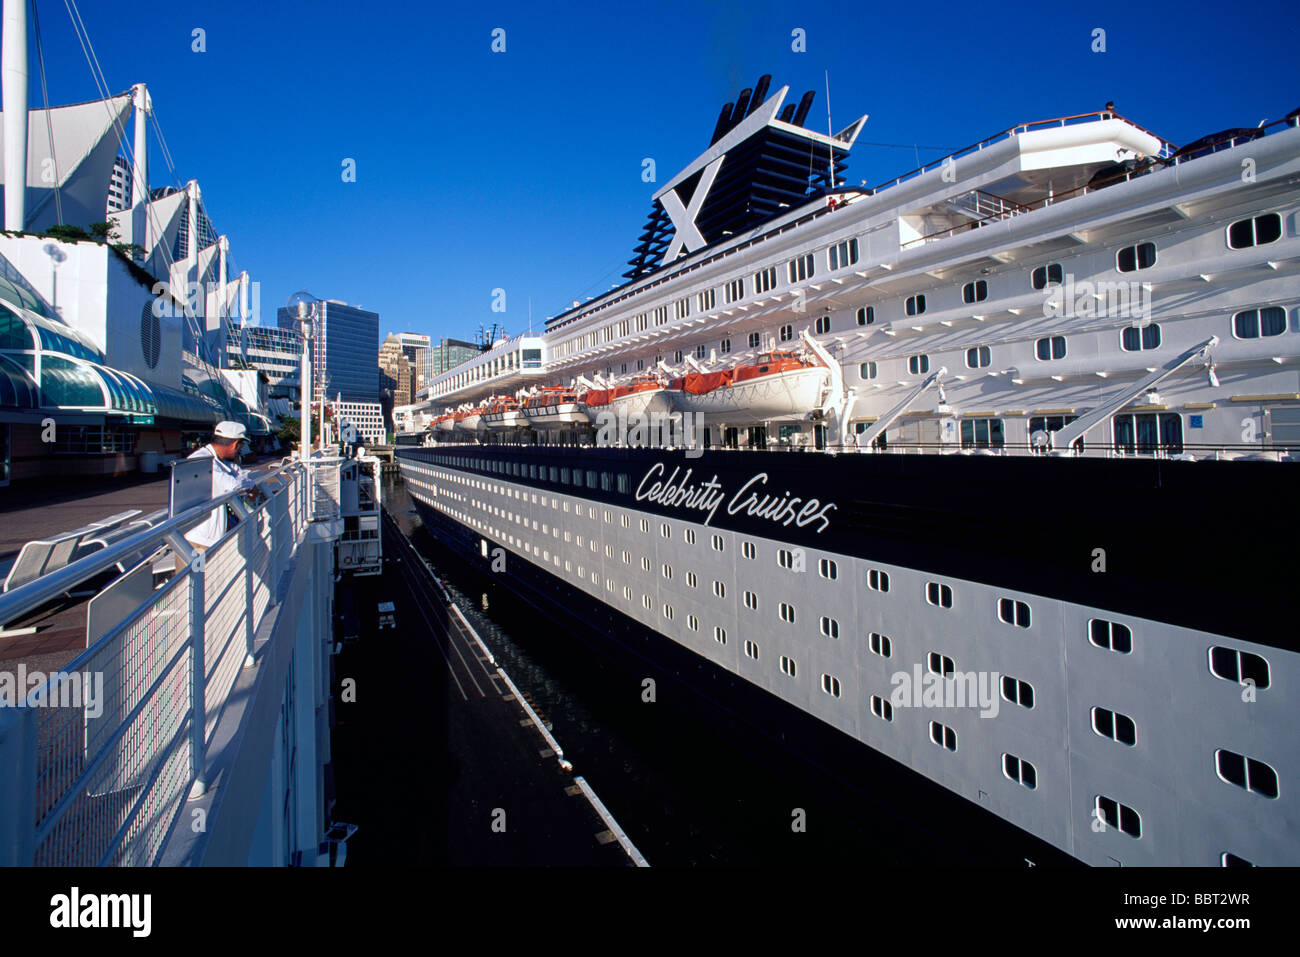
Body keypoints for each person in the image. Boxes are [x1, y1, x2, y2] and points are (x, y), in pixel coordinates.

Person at [184, 421, 257, 554]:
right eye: (241, 445)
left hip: (212, 538)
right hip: (199, 541)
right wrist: (251, 486)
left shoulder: (222, 461)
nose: (241, 449)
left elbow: (243, 476)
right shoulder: (201, 460)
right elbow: (234, 485)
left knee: (213, 574)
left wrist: (248, 483)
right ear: (235, 444)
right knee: (197, 574)